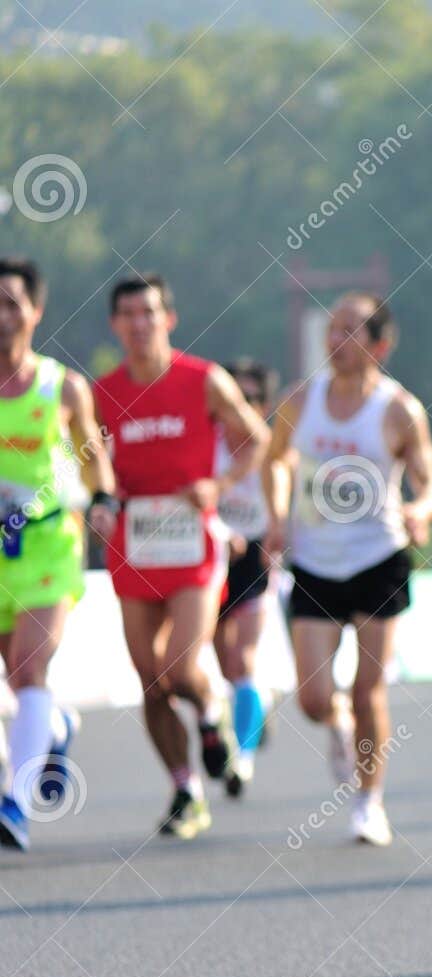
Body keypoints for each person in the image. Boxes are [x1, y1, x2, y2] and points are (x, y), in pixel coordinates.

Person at [265, 293, 432, 847]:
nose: (335, 341)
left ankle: (369, 802)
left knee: (370, 690)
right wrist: (277, 516)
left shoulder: (398, 410)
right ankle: (337, 723)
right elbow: (274, 461)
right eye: (332, 329)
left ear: (379, 345)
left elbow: (431, 481)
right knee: (313, 699)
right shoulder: (300, 400)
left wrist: (421, 511)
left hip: (378, 557)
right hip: (315, 561)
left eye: (350, 331)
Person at [94, 273, 268, 839]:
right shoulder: (102, 392)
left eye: (148, 313)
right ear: (115, 324)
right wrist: (99, 502)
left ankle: (212, 717)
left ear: (168, 318)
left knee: (180, 668)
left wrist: (219, 484)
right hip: (134, 541)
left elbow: (258, 439)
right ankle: (185, 788)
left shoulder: (203, 379)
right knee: (150, 679)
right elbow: (87, 461)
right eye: (128, 315)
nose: (139, 324)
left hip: (193, 544)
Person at [0, 257, 118, 850]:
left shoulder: (62, 386)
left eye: (11, 304)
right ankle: (55, 725)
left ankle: (15, 803)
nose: (1, 317)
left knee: (28, 668)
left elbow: (93, 454)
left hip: (47, 544)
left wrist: (104, 500)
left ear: (35, 312)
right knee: (16, 678)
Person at [213, 359, 279, 797]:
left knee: (244, 659)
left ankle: (242, 757)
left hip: (255, 558)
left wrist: (275, 538)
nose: (244, 406)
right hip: (211, 558)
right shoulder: (209, 443)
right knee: (226, 665)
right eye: (235, 397)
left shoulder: (271, 450)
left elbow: (283, 505)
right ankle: (255, 703)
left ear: (264, 405)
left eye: (252, 398)